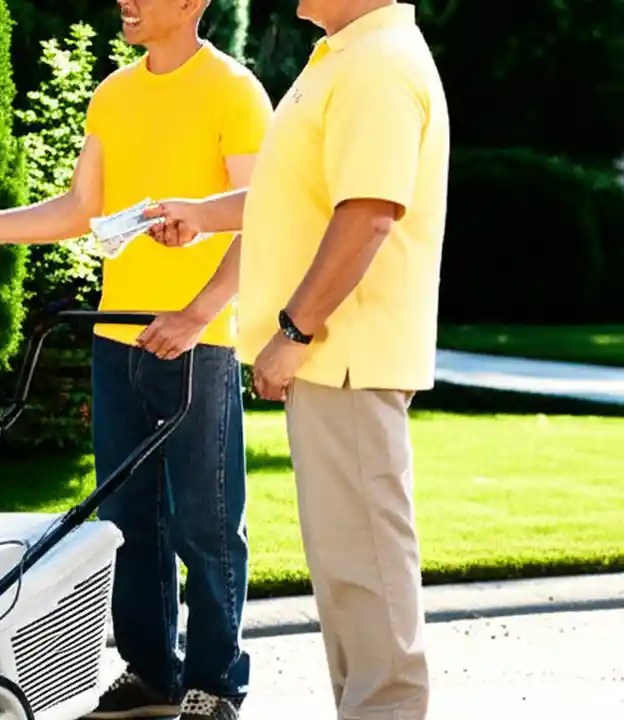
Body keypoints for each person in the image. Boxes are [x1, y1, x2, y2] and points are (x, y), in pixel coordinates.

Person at [0, 1, 272, 716]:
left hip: (197, 342)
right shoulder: (114, 93)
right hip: (117, 336)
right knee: (126, 519)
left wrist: (198, 313)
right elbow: (80, 210)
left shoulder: (233, 90)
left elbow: (264, 212)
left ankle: (215, 684)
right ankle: (151, 673)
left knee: (205, 524)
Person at [144, 1, 449, 717]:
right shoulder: (343, 57)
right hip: (337, 359)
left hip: (349, 357)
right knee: (348, 568)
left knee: (366, 565)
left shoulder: (377, 64)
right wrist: (202, 212)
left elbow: (368, 213)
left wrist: (295, 331)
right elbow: (297, 192)